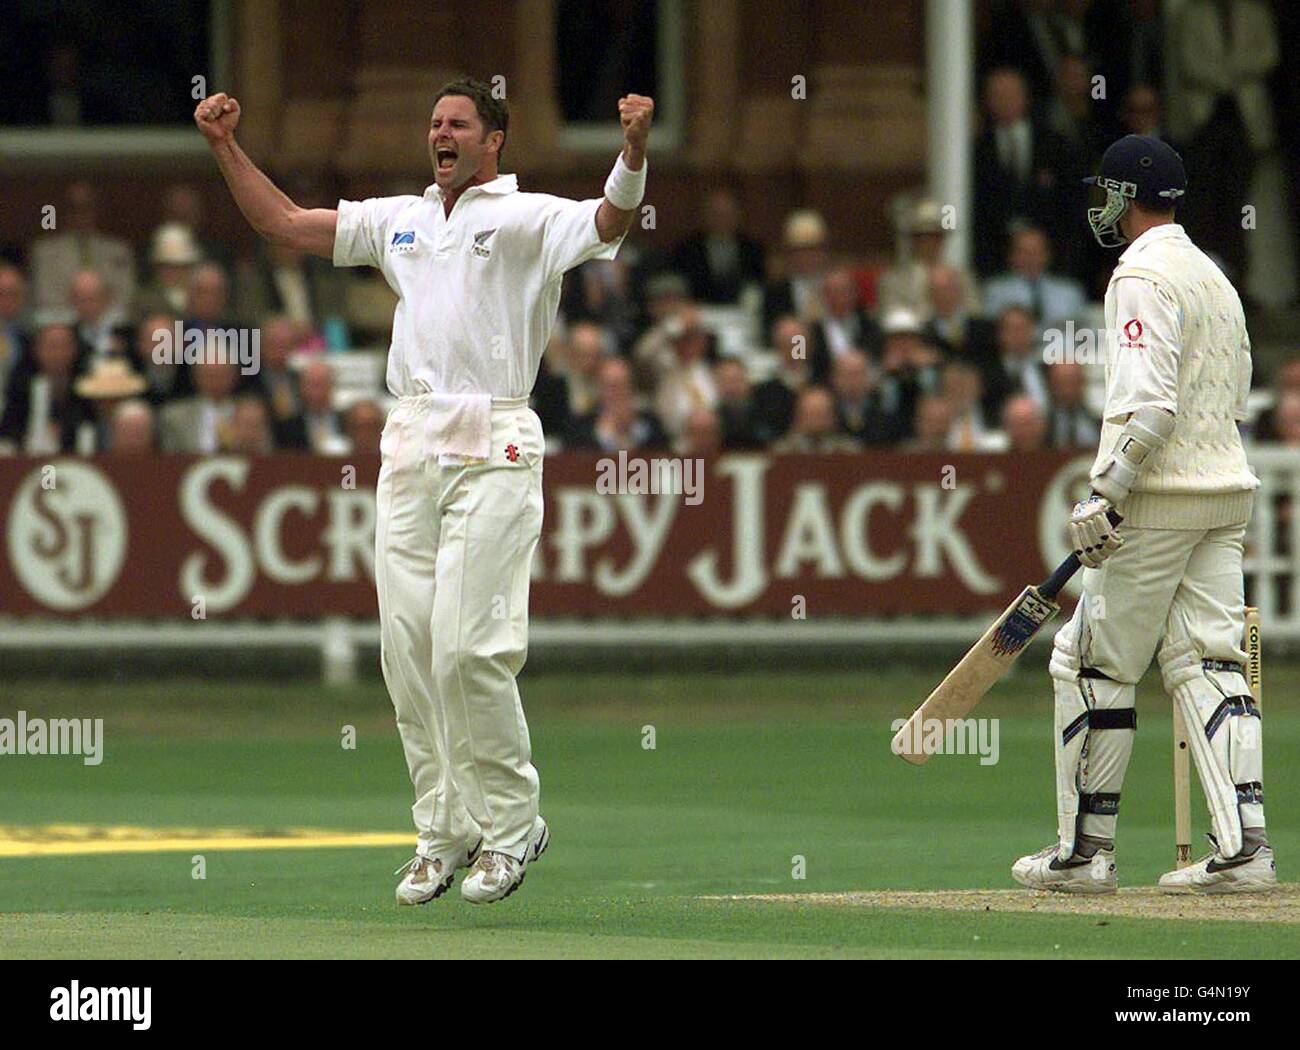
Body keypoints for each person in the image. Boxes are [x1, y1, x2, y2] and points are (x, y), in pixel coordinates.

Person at [197, 78, 652, 904]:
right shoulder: (399, 218)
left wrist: (632, 152)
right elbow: (283, 223)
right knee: (407, 650)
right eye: (434, 123)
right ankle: (443, 833)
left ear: (493, 141)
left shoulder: (525, 218)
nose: (440, 134)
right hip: (410, 441)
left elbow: (609, 221)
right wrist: (224, 146)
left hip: (496, 435)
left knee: (467, 649)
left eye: (458, 124)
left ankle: (513, 829)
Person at [1012, 134, 1275, 896]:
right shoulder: (1212, 275)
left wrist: (1107, 494)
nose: (1102, 206)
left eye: (1107, 193)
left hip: (1158, 499)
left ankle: (1084, 854)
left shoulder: (1140, 275)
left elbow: (1150, 404)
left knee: (1091, 663)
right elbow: (1238, 385)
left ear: (1127, 198)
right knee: (1210, 661)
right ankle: (1246, 849)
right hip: (1226, 489)